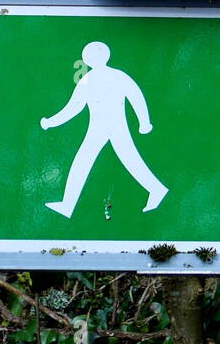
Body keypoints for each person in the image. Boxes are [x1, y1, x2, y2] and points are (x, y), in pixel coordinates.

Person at [40, 41, 168, 217]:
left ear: (87, 59)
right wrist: (143, 122)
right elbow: (135, 96)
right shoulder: (111, 76)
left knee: (97, 161)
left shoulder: (89, 80)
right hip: (102, 128)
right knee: (97, 161)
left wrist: (49, 122)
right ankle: (67, 204)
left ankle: (157, 189)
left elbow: (73, 109)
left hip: (110, 127)